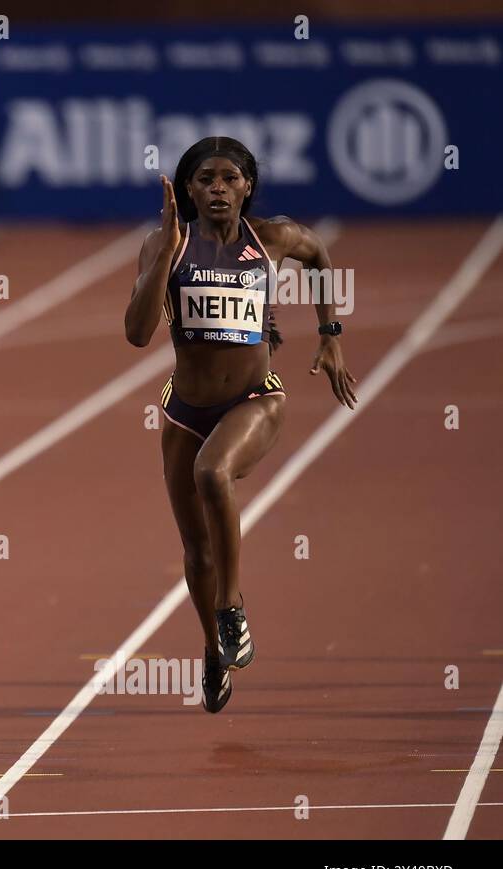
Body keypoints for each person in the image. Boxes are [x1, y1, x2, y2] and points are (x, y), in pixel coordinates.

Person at [124, 137, 358, 713]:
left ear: (248, 185)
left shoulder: (271, 237)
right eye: (205, 180)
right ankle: (213, 648)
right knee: (196, 553)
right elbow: (136, 332)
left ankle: (232, 607)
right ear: (188, 190)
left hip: (255, 399)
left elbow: (320, 255)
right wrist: (165, 256)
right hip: (185, 410)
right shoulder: (163, 245)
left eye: (230, 178)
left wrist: (330, 335)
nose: (218, 189)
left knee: (213, 474)